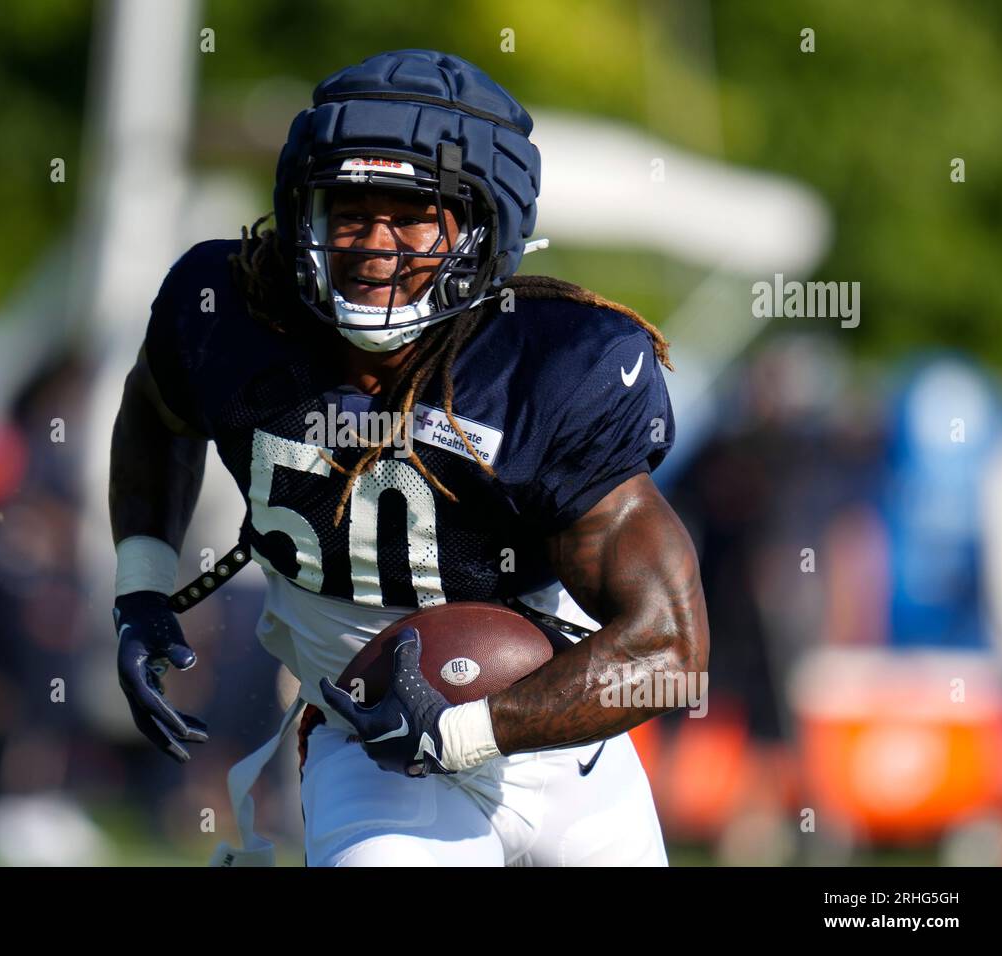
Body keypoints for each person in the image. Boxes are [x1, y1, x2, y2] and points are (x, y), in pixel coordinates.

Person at [108, 49, 708, 866]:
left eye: (414, 215)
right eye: (348, 209)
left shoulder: (552, 367)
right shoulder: (230, 314)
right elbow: (156, 409)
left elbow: (671, 652)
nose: (373, 247)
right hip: (372, 750)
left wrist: (467, 728)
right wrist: (140, 586)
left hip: (560, 749)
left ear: (485, 224)